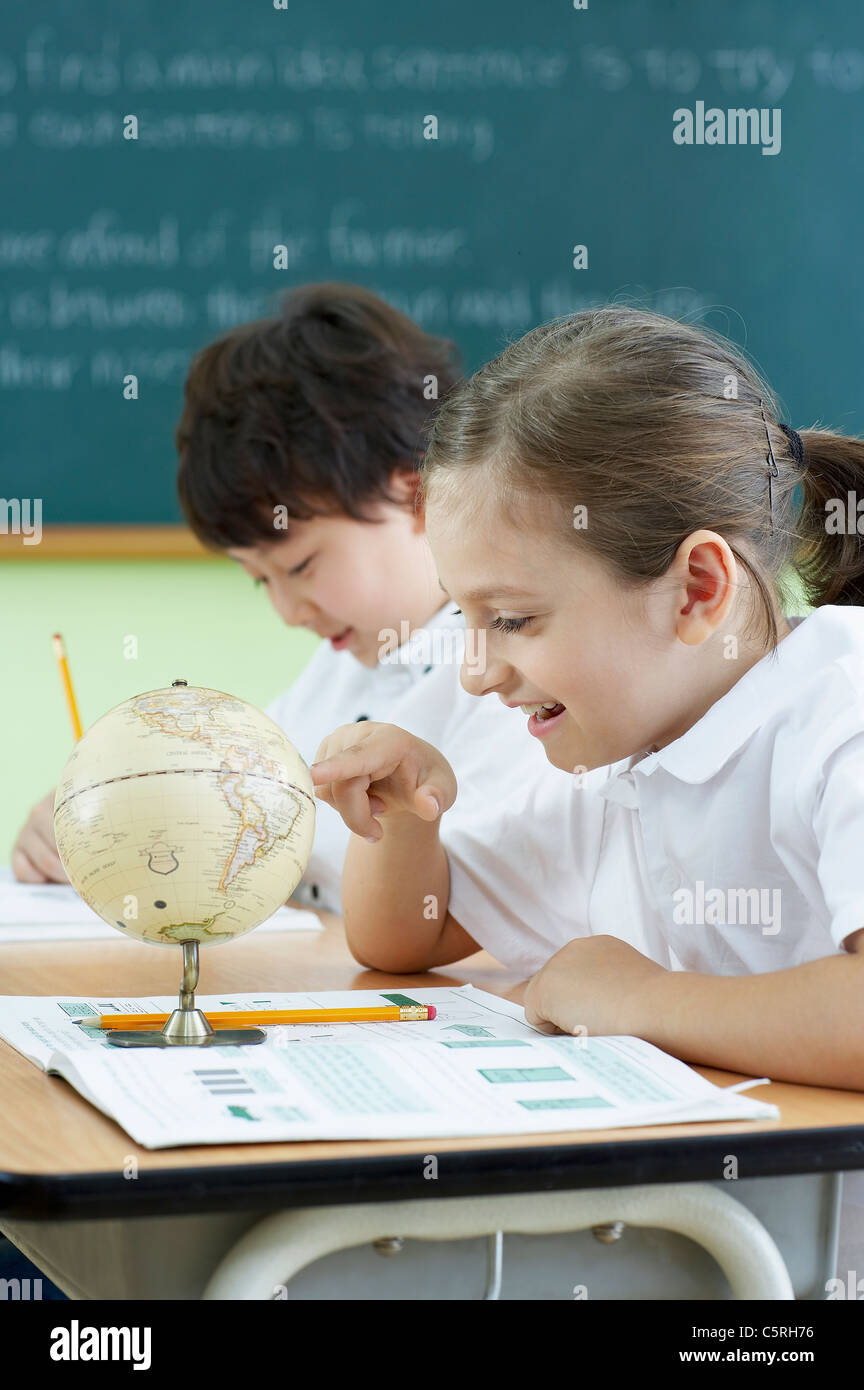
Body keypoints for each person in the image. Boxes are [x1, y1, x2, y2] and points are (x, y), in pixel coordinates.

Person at [11, 283, 553, 912]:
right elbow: (240, 811)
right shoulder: (337, 672)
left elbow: (466, 896)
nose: (288, 611)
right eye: (260, 578)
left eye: (300, 565)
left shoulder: (510, 674)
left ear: (417, 499)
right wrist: (98, 824)